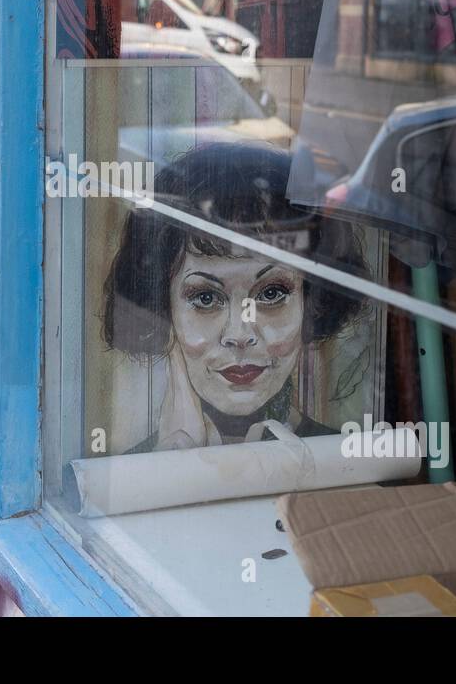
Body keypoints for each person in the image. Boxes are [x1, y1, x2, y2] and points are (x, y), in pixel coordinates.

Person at [104, 141, 367, 452]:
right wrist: (174, 462)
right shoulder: (117, 483)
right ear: (163, 309)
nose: (239, 334)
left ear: (310, 304)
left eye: (272, 293)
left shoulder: (349, 466)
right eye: (205, 298)